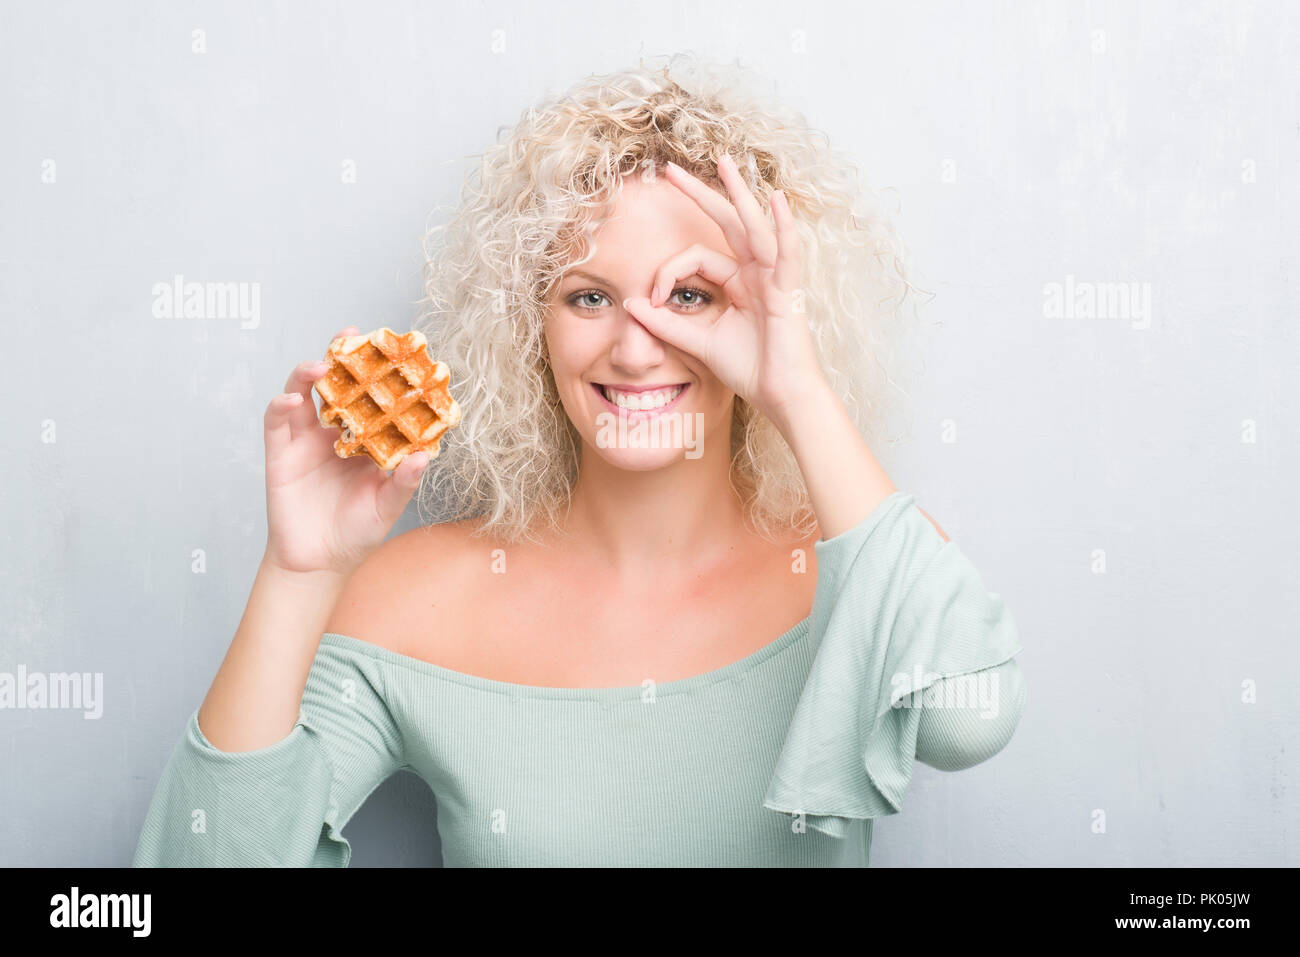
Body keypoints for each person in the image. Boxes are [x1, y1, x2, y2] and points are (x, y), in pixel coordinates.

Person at [133, 56, 1026, 867]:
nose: (637, 352)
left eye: (691, 295)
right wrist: (299, 572)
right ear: (534, 325)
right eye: (589, 295)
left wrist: (796, 387)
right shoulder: (416, 600)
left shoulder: (854, 567)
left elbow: (965, 722)